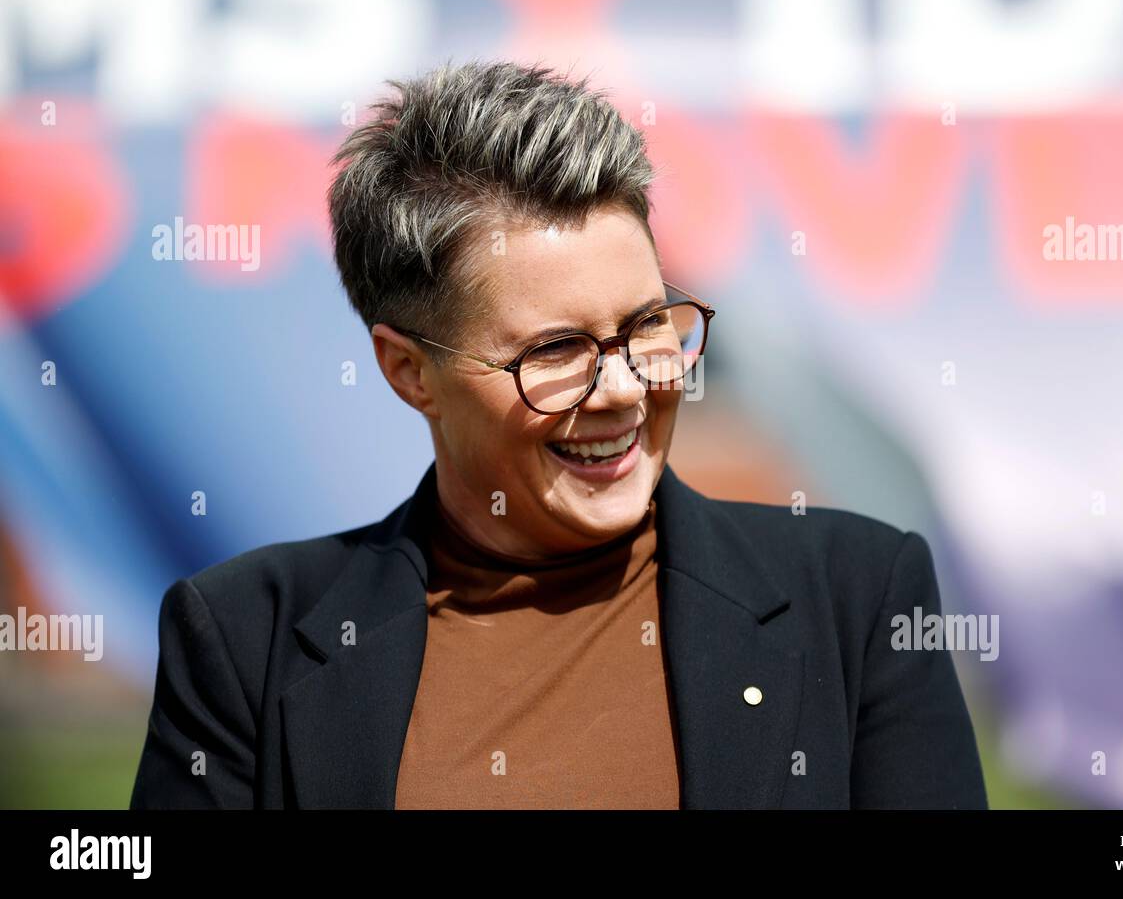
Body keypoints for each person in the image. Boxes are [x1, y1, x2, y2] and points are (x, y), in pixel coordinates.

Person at [129, 59, 987, 809]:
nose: (621, 390)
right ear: (407, 372)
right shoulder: (246, 639)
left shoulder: (857, 598)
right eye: (556, 352)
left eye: (648, 326)